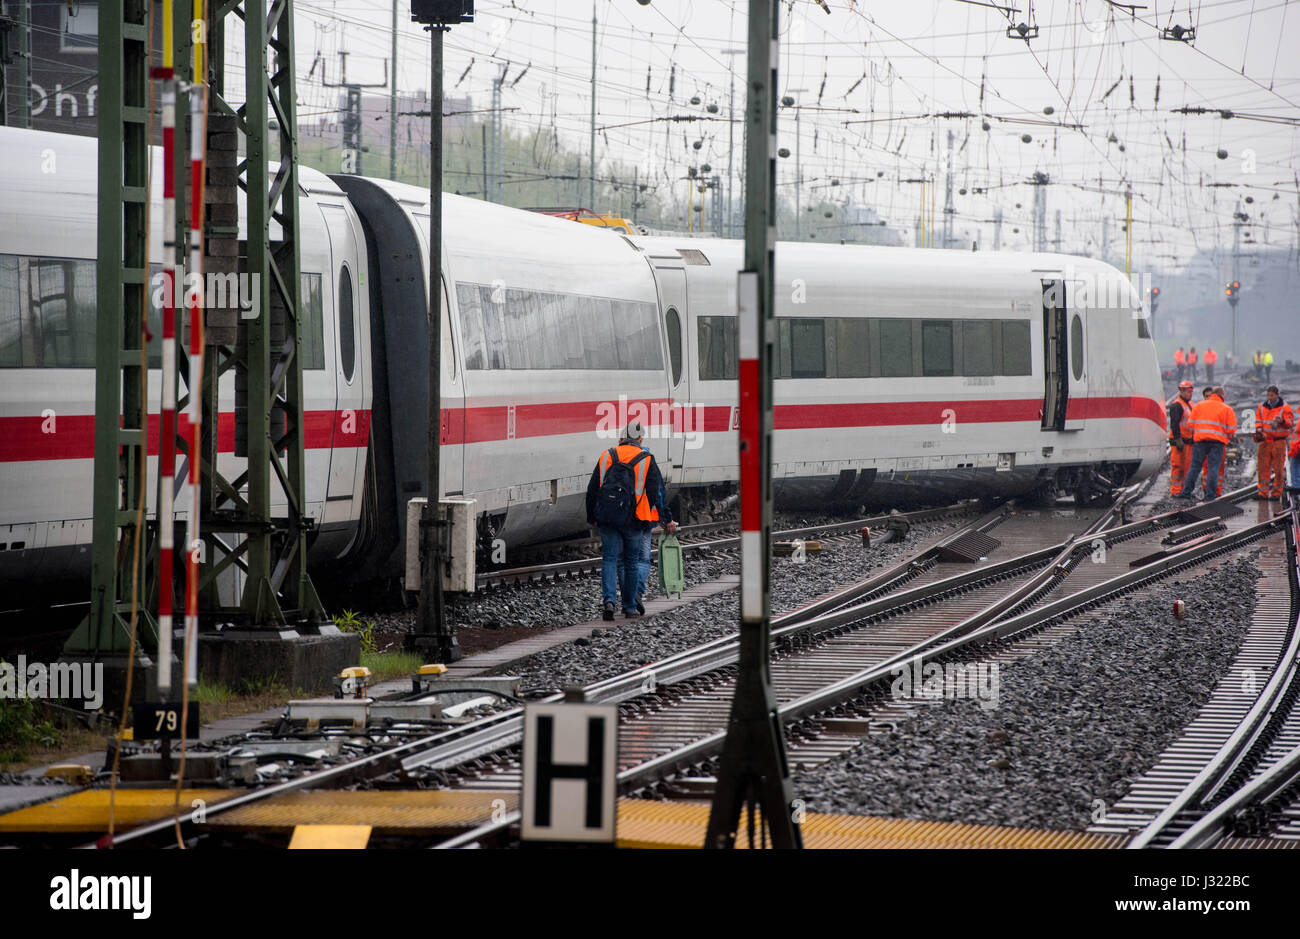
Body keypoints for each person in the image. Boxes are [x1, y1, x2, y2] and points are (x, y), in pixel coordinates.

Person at [586, 421, 677, 620]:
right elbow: (655, 491)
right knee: (632, 562)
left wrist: (592, 516)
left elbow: (593, 488)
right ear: (640, 439)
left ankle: (609, 602)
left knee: (610, 559)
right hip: (635, 520)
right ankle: (628, 607)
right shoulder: (646, 458)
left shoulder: (607, 455)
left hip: (608, 518)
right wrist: (649, 512)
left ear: (620, 439)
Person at [1178, 386, 1237, 501]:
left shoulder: (1199, 406)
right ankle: (1210, 495)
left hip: (1200, 441)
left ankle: (1186, 492)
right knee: (1213, 468)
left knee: (1194, 467)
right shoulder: (1227, 409)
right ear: (1222, 395)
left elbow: (1190, 425)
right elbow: (1231, 430)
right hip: (1217, 443)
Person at [1254, 385, 1295, 500]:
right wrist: (1258, 430)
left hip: (1278, 442)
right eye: (1268, 395)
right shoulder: (1262, 407)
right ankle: (1263, 492)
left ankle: (1277, 493)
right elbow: (1258, 421)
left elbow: (1290, 423)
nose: (1269, 398)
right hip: (1265, 441)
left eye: (1272, 395)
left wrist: (1282, 421)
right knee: (1263, 468)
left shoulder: (1285, 408)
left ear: (1277, 395)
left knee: (1278, 469)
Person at [1195, 386, 1228, 497]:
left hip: (1219, 443)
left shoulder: (1222, 408)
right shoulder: (1200, 408)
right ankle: (1208, 491)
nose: (1209, 398)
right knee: (1207, 468)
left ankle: (1216, 491)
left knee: (1218, 468)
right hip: (1205, 443)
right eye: (1207, 396)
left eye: (1211, 395)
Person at [1167, 380, 1195, 496]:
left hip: (1188, 442)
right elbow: (1174, 424)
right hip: (1180, 442)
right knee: (1178, 466)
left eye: (1190, 391)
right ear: (1182, 391)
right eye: (1187, 391)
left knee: (1187, 467)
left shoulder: (1189, 404)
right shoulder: (1177, 405)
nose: (1190, 394)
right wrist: (1178, 439)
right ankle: (1176, 490)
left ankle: (1184, 490)